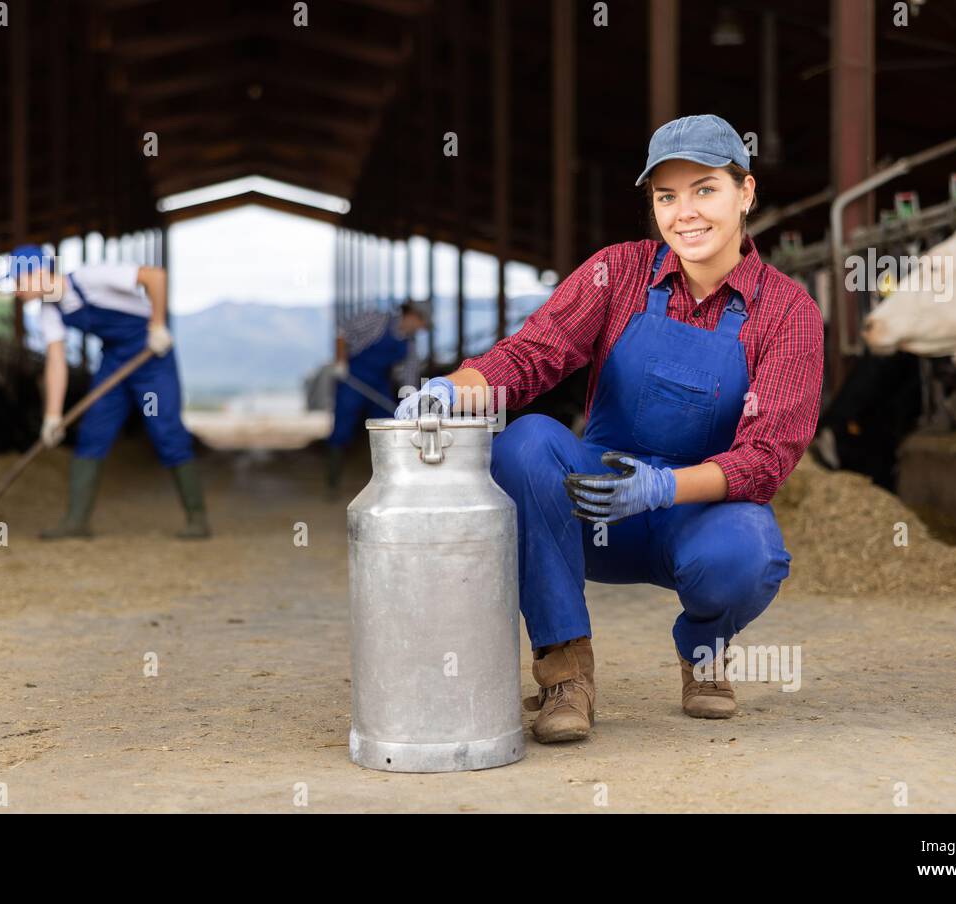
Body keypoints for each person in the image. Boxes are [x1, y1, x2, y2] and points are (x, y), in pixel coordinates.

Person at [396, 114, 824, 743]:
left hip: (696, 511)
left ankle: (704, 653)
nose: (686, 213)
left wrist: (663, 487)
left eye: (706, 189)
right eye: (666, 196)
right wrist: (451, 392)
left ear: (746, 193)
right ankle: (566, 674)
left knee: (751, 555)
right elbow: (532, 355)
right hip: (595, 505)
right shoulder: (616, 273)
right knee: (526, 441)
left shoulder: (788, 311)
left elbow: (767, 458)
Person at [10, 245, 209, 540]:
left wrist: (157, 326)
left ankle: (197, 519)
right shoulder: (49, 311)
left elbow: (155, 276)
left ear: (39, 272)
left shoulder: (91, 278)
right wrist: (52, 417)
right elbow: (56, 362)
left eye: (18, 281)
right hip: (115, 363)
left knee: (166, 430)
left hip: (151, 356)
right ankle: (76, 522)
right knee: (93, 431)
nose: (15, 290)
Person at [327, 300, 430, 490]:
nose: (420, 329)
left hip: (378, 384)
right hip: (353, 378)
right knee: (342, 425)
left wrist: (411, 404)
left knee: (388, 425)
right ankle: (333, 479)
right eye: (421, 324)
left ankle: (389, 480)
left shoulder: (409, 346)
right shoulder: (376, 320)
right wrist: (341, 363)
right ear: (412, 316)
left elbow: (408, 379)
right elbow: (342, 332)